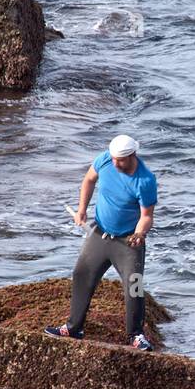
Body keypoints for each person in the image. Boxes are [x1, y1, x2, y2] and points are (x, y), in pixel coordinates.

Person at [44, 134, 157, 350]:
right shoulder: (104, 159)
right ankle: (73, 327)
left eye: (120, 160)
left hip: (128, 240)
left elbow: (147, 216)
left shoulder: (145, 181)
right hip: (100, 233)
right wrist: (82, 209)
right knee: (81, 274)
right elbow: (88, 179)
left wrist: (140, 233)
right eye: (113, 158)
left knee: (134, 285)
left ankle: (136, 335)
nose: (115, 163)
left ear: (132, 155)